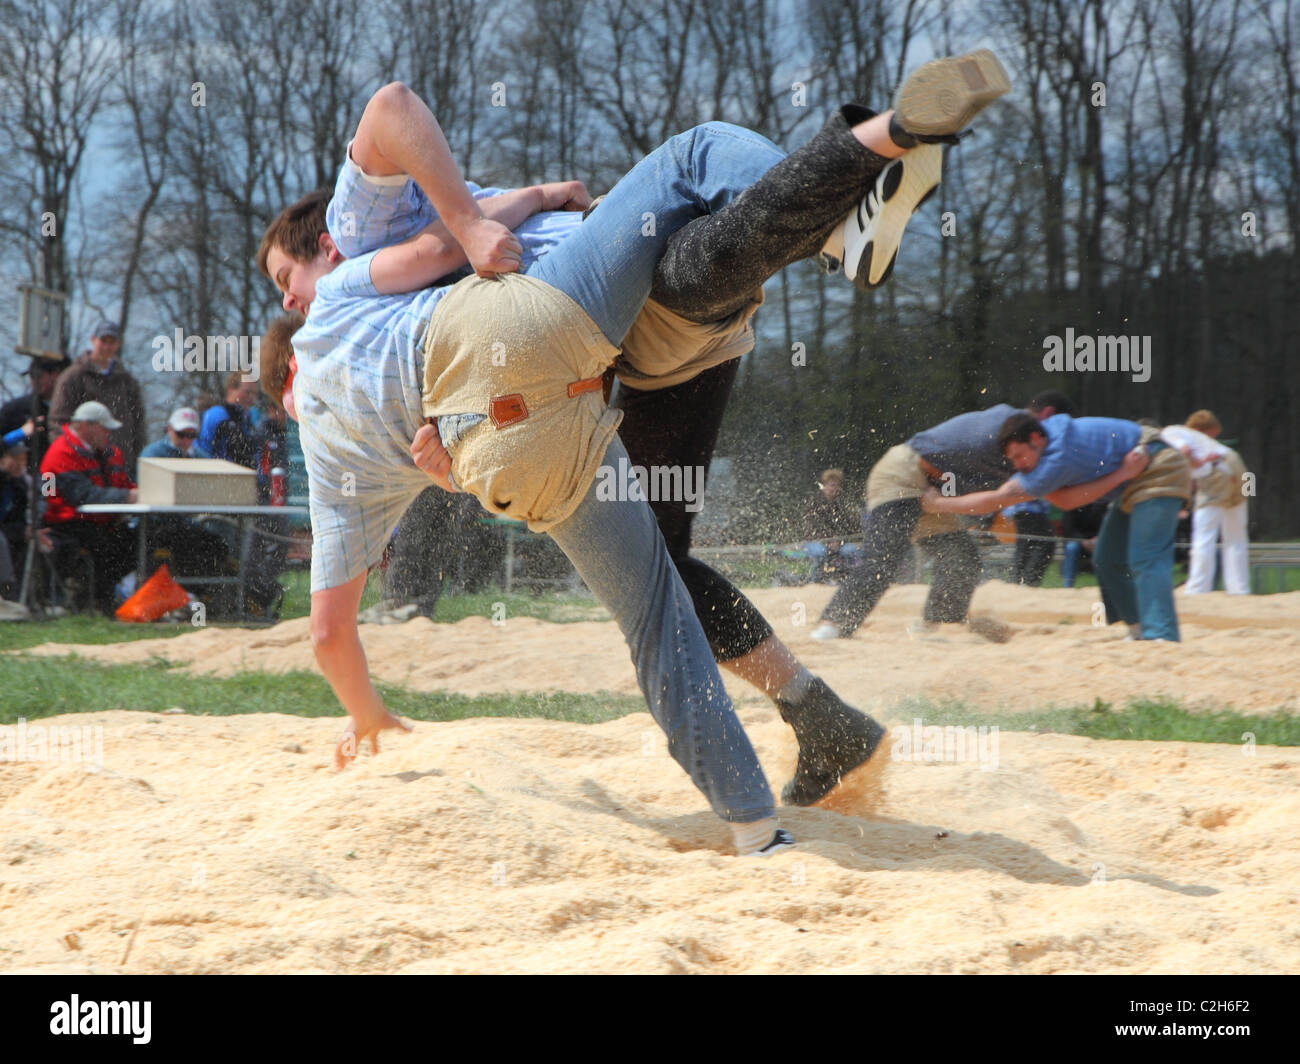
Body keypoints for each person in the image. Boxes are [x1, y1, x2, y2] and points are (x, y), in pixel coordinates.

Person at [258, 53, 1009, 853]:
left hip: (545, 412)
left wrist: (368, 710)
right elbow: (433, 232)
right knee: (695, 165)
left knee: (656, 605)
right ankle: (851, 200)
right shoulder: (346, 290)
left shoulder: (343, 293)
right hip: (570, 322)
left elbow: (328, 631)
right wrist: (494, 220)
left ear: (324, 248)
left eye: (283, 279)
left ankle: (756, 827)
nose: (287, 300)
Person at [810, 392, 1068, 641]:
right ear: (1046, 416)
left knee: (962, 557)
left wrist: (943, 503)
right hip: (903, 473)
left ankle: (938, 627)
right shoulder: (1005, 431)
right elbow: (993, 498)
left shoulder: (1014, 435)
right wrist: (946, 504)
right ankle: (833, 623)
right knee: (885, 558)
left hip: (933, 488)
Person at [924, 412, 1190, 641]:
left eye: (1019, 455)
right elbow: (1060, 497)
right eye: (1012, 460)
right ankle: (1137, 628)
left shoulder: (1054, 460)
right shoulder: (1048, 437)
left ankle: (1161, 636)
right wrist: (1124, 474)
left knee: (1147, 558)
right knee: (1107, 559)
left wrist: (939, 504)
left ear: (1036, 440)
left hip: (1159, 465)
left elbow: (1009, 500)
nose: (1018, 465)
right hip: (1137, 473)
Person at [40, 401, 139, 614]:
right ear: (86, 425)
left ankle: (96, 599)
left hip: (100, 522)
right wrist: (127, 497)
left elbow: (122, 482)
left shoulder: (108, 452)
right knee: (108, 547)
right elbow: (83, 496)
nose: (108, 433)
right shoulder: (61, 453)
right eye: (104, 428)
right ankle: (96, 602)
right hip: (67, 523)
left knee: (141, 542)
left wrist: (135, 492)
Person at [1161, 410, 1250, 595]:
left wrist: (1199, 462)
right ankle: (1240, 589)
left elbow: (1186, 452)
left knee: (1204, 535)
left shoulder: (1168, 433)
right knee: (1236, 536)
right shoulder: (1197, 438)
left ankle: (1197, 588)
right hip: (1237, 466)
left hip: (1215, 473)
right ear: (1202, 429)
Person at [48, 321, 147, 473]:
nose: (107, 347)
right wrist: (70, 457)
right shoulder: (73, 377)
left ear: (118, 344)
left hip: (121, 466)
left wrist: (134, 457)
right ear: (93, 339)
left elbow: (138, 424)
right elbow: (58, 422)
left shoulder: (127, 381)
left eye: (112, 342)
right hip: (82, 466)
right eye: (103, 341)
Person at [0, 354, 70, 472]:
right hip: (31, 480)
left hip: (68, 476)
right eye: (31, 376)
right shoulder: (15, 409)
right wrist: (19, 434)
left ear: (56, 376)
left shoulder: (74, 410)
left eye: (38, 376)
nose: (34, 381)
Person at [799, 468, 860, 583]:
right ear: (824, 486)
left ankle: (850, 580)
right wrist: (829, 541)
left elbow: (847, 526)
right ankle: (814, 581)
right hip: (816, 541)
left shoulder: (840, 504)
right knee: (820, 552)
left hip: (838, 542)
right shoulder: (814, 502)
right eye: (832, 485)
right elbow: (812, 527)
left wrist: (839, 540)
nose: (834, 488)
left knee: (851, 550)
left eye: (837, 485)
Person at [199, 372, 259, 467]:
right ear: (231, 390)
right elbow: (203, 448)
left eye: (254, 394)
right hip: (221, 474)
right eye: (247, 392)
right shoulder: (217, 414)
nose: (251, 398)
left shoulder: (249, 418)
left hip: (244, 476)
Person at [139, 407, 211, 463]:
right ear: (169, 429)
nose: (186, 440)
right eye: (181, 434)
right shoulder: (153, 454)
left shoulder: (201, 458)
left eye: (191, 435)